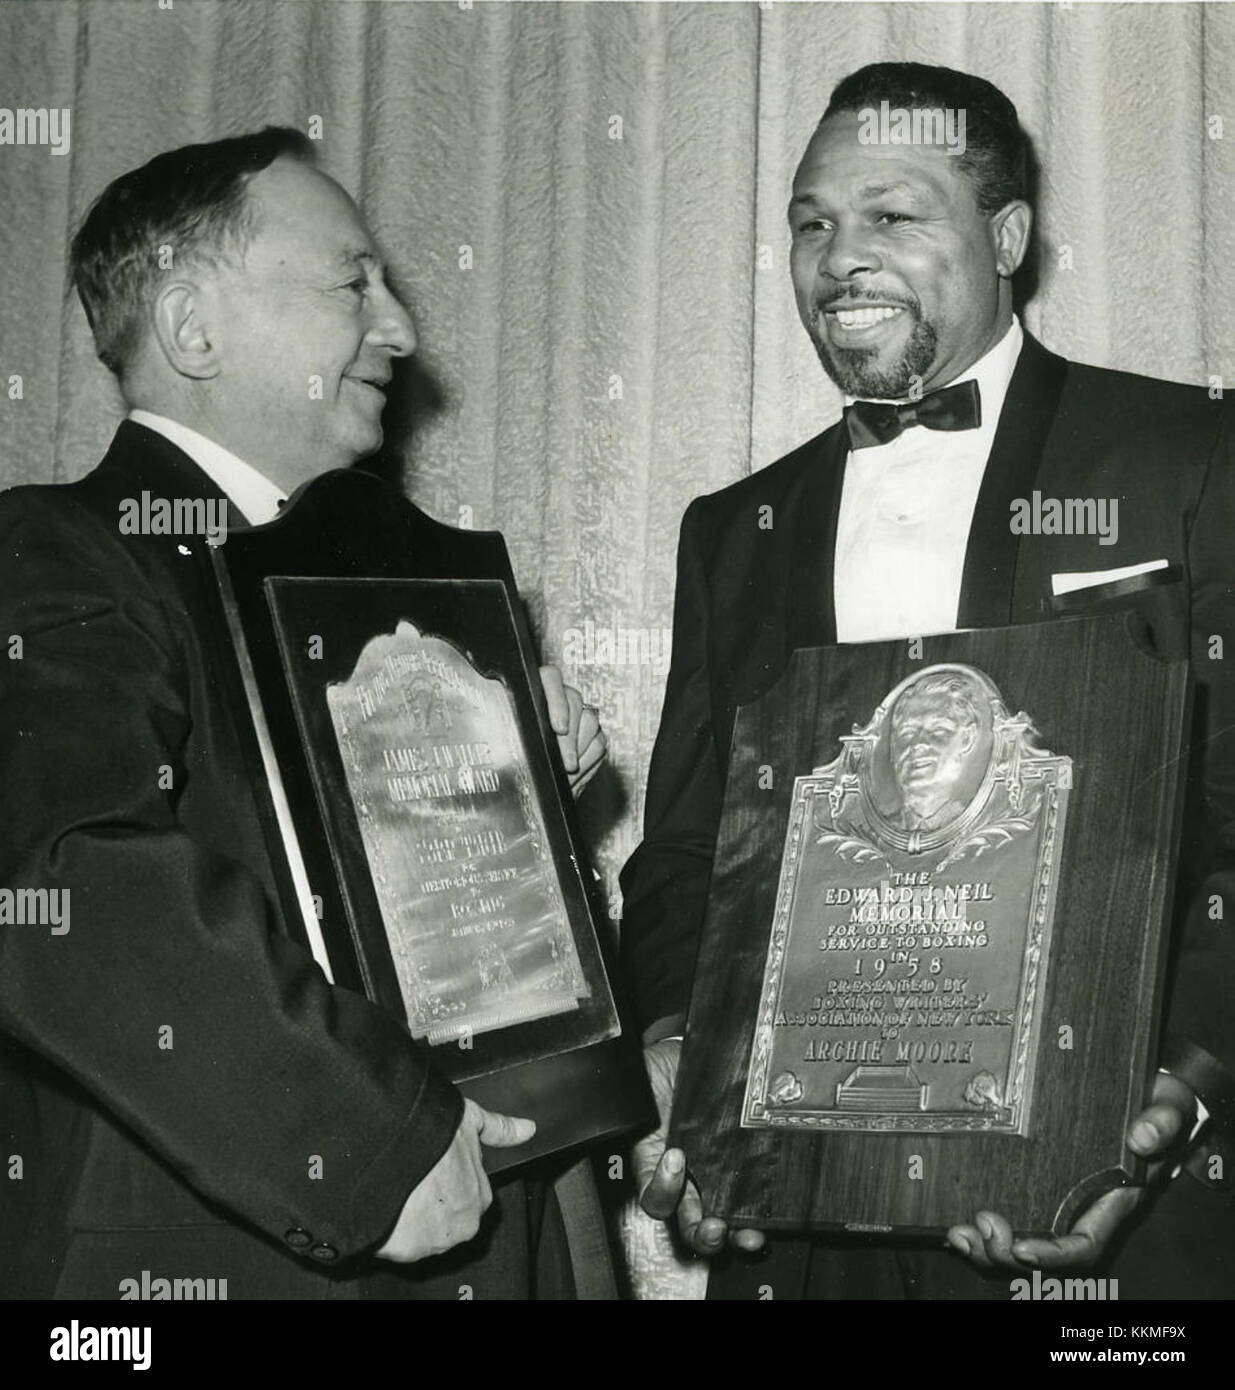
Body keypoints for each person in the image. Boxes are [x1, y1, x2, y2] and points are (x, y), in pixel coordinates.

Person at [622, 62, 1235, 1299]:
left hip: (1109, 1205)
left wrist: (1178, 1090)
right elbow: (685, 852)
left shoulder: (1190, 455)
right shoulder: (730, 527)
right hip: (795, 1224)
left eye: (890, 215)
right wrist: (672, 1054)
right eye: (809, 222)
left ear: (1004, 237)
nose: (838, 256)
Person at [0, 128, 607, 1300]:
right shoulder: (57, 554)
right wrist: (364, 1145)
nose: (401, 328)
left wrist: (515, 791)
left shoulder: (365, 586)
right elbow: (60, 879)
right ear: (192, 328)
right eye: (351, 283)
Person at [887, 673, 983, 832]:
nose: (919, 744)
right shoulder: (859, 832)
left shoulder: (985, 829)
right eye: (908, 732)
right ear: (892, 743)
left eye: (938, 730)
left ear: (967, 738)